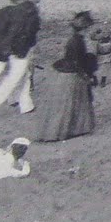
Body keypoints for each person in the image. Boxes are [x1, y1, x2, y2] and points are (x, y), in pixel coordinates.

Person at [35, 10, 98, 142]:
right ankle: (68, 130)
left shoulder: (74, 39)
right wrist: (87, 76)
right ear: (86, 28)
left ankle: (57, 132)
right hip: (72, 75)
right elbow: (78, 62)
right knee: (71, 103)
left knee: (63, 105)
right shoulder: (78, 41)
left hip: (64, 73)